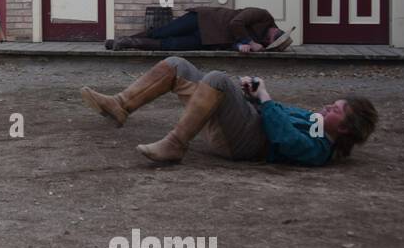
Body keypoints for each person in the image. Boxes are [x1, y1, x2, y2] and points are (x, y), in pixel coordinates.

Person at [80, 56, 377, 166]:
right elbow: (275, 114)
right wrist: (254, 97)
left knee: (218, 79)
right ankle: (121, 105)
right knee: (177, 65)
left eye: (336, 109)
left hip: (245, 142)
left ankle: (175, 145)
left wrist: (266, 98)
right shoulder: (316, 122)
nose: (328, 106)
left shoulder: (321, 149)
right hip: (246, 122)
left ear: (346, 128)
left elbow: (283, 139)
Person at [108, 6, 292, 53]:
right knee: (162, 31)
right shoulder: (263, 15)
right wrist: (248, 41)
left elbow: (234, 44)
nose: (268, 41)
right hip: (203, 20)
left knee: (168, 45)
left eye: (270, 43)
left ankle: (125, 43)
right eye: (272, 38)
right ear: (276, 31)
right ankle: (121, 40)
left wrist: (241, 48)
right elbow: (236, 23)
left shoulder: (262, 43)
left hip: (209, 41)